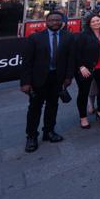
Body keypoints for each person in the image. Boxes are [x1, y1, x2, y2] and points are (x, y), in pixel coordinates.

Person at [20, 11, 74, 153]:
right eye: (52, 20)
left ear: (62, 21)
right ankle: (31, 136)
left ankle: (48, 131)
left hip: (57, 78)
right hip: (38, 79)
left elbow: (70, 59)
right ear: (46, 21)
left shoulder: (67, 37)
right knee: (35, 108)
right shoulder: (35, 38)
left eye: (58, 20)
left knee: (52, 106)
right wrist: (25, 82)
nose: (55, 22)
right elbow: (27, 62)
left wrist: (68, 77)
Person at [74, 14, 100, 129]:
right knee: (83, 93)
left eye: (98, 20)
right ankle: (83, 117)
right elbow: (76, 53)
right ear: (89, 23)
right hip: (87, 69)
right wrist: (81, 66)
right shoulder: (83, 36)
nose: (96, 23)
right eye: (93, 21)